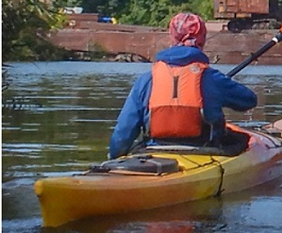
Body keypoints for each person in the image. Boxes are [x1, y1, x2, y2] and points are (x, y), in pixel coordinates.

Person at [108, 12, 260, 157]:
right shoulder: (212, 78)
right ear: (202, 40)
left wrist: (115, 157)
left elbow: (124, 130)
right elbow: (249, 100)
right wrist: (221, 88)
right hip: (205, 150)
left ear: (172, 38)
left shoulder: (146, 79)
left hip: (155, 149)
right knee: (240, 140)